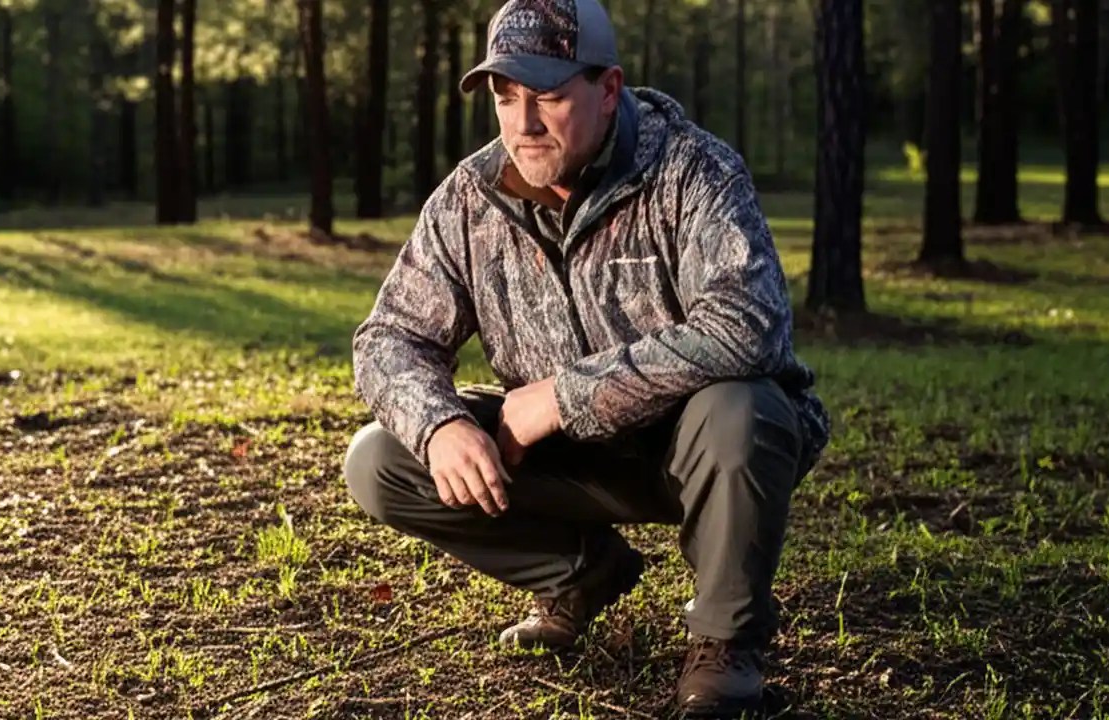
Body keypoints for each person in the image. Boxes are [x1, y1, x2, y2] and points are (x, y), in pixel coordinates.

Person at [343, 0, 829, 715]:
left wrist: (563, 395)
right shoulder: (469, 199)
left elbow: (748, 325)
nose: (523, 123)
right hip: (566, 459)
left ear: (608, 90)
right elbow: (388, 339)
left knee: (742, 407)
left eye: (547, 97)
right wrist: (440, 424)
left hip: (699, 453)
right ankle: (583, 570)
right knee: (380, 459)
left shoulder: (693, 170)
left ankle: (726, 649)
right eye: (507, 98)